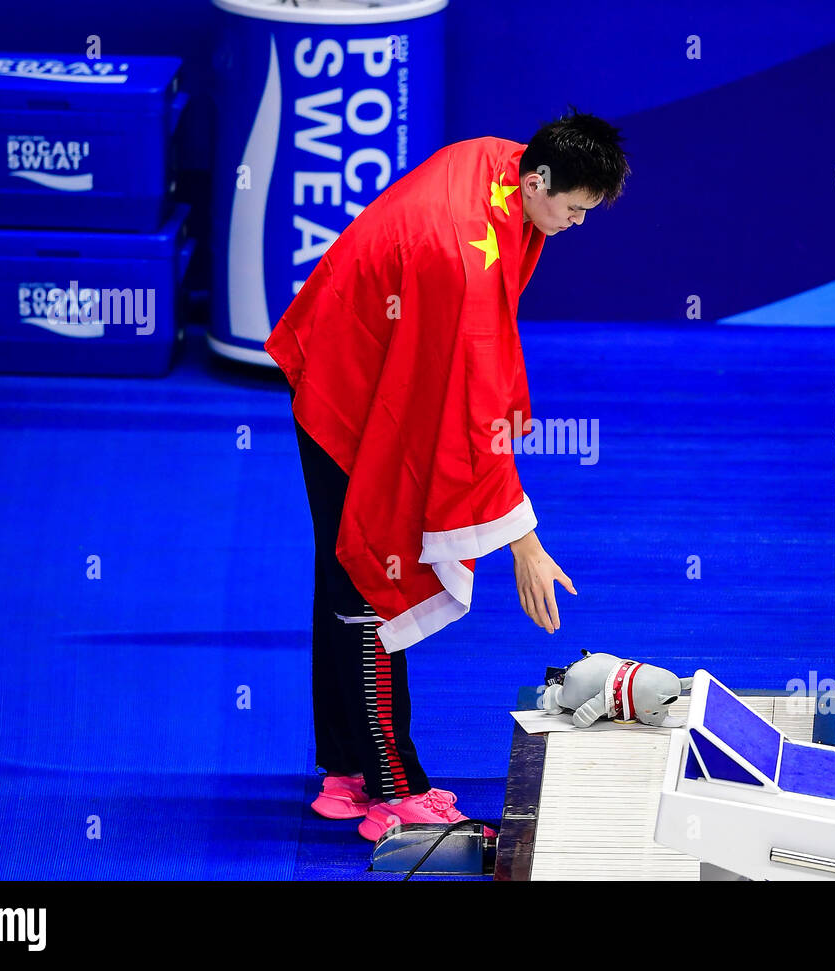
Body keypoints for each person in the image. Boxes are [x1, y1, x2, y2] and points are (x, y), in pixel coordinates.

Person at [266, 108, 629, 840]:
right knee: (370, 572)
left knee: (343, 571)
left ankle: (345, 771)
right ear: (536, 180)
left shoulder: (498, 163)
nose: (576, 225)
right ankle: (394, 789)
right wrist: (524, 541)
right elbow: (472, 411)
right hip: (350, 389)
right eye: (574, 209)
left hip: (356, 351)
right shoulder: (461, 260)